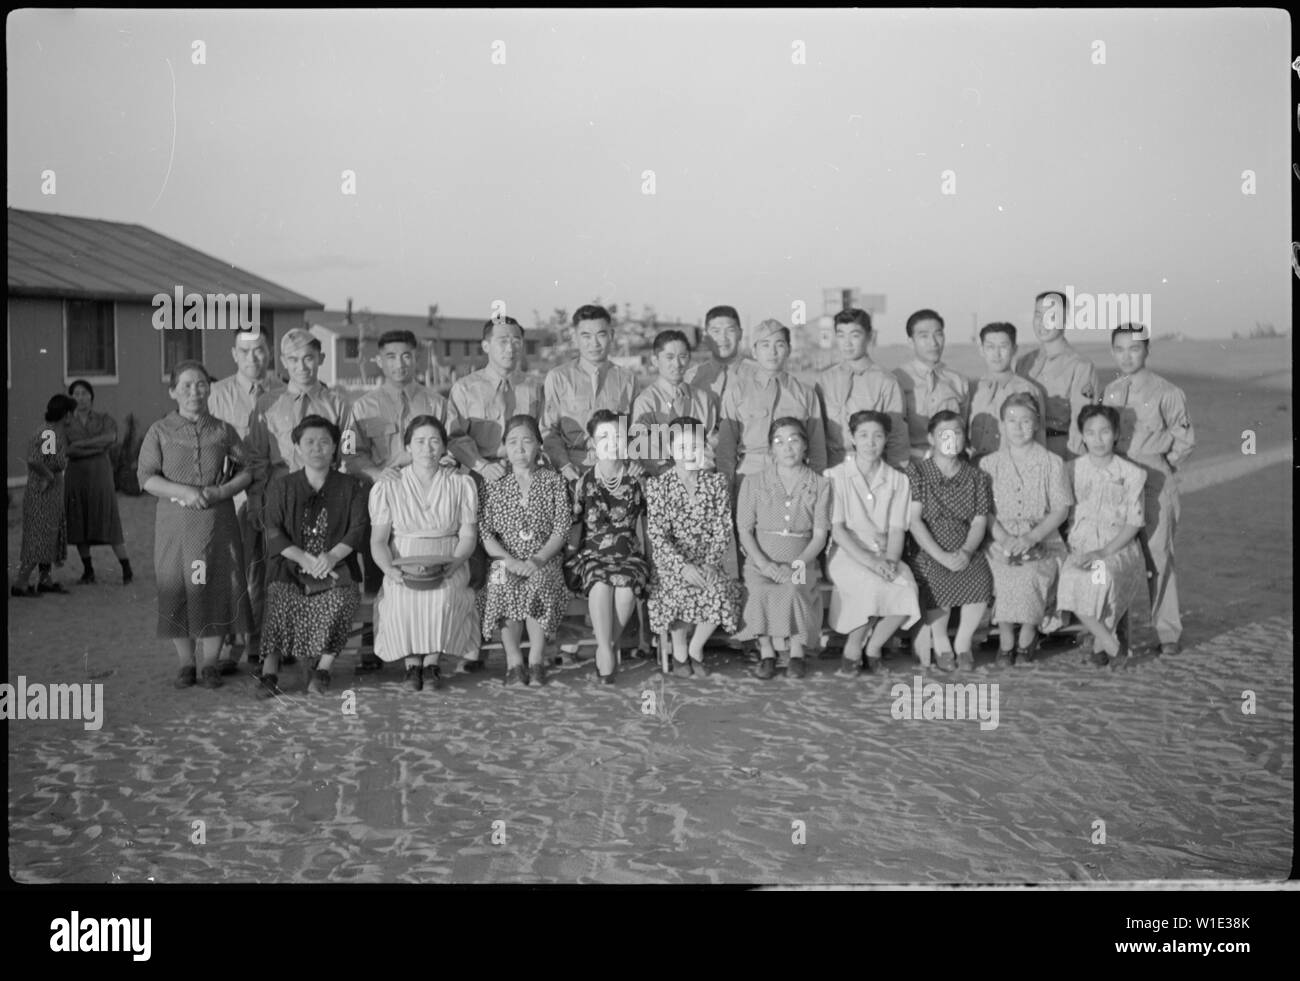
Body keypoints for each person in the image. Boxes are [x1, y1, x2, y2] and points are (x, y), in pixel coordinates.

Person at [246, 328, 358, 664]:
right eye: (293, 359)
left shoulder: (338, 402)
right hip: (280, 500)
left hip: (327, 500)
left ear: (321, 359)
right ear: (283, 362)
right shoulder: (267, 403)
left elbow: (349, 456)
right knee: (276, 576)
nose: (302, 366)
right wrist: (255, 502)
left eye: (309, 358)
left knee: (324, 575)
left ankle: (311, 653)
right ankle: (266, 653)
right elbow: (257, 458)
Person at [138, 361, 252, 690]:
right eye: (186, 385)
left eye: (201, 384)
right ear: (173, 391)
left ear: (209, 388)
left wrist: (221, 491)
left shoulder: (223, 430)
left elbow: (247, 470)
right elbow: (145, 477)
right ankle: (186, 664)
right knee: (178, 588)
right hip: (175, 521)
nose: (194, 392)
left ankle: (211, 664)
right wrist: (185, 492)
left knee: (218, 586)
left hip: (217, 520)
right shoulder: (159, 430)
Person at [446, 315, 546, 674]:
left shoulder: (532, 388)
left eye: (517, 340)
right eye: (502, 340)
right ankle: (475, 646)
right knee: (480, 567)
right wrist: (480, 463)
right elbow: (455, 436)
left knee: (520, 561)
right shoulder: (465, 387)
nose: (511, 346)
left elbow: (542, 434)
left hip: (523, 485)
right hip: (482, 482)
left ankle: (523, 650)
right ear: (486, 345)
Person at [254, 416, 369, 699]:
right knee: (280, 595)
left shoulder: (350, 486)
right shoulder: (282, 487)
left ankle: (324, 669)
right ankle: (270, 671)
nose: (317, 448)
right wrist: (304, 559)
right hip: (291, 564)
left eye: (324, 442)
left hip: (336, 564)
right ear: (297, 448)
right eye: (309, 442)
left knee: (342, 599)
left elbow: (357, 528)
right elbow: (272, 529)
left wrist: (330, 557)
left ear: (334, 449)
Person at [1102, 323, 1195, 656]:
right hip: (1118, 480)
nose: (1127, 356)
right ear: (1113, 352)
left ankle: (1167, 632)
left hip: (1155, 479)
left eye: (1135, 348)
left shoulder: (1167, 392)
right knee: (1117, 556)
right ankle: (1113, 632)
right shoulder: (1111, 392)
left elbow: (1184, 441)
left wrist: (1162, 465)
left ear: (1146, 350)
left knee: (1158, 557)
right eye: (1120, 349)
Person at [368, 415, 480, 691]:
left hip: (448, 557)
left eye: (434, 441)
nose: (427, 448)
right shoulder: (388, 484)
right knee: (401, 599)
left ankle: (431, 664)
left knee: (444, 596)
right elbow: (379, 541)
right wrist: (389, 570)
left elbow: (468, 534)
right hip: (402, 560)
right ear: (407, 447)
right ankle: (411, 667)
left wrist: (455, 563)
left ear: (444, 447)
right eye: (419, 442)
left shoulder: (461, 483)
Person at [208, 327, 286, 671]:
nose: (253, 358)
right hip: (232, 499)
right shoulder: (215, 395)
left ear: (268, 352)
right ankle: (228, 648)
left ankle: (260, 644)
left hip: (275, 498)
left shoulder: (285, 393)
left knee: (268, 573)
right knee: (230, 573)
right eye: (246, 351)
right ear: (234, 354)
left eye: (260, 350)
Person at [978, 393, 1072, 666]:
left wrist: (1031, 537)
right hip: (999, 538)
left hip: (1043, 538)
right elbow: (985, 511)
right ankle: (1007, 637)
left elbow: (1060, 510)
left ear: (1037, 424)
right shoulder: (989, 464)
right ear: (1001, 425)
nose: (1018, 427)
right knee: (1004, 571)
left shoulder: (1051, 463)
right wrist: (1005, 538)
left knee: (1030, 574)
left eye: (1026, 421)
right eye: (1011, 421)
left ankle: (1028, 633)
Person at [478, 414, 572, 686]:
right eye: (512, 442)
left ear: (539, 446)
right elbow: (485, 534)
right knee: (500, 584)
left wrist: (537, 560)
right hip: (503, 559)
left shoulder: (553, 481)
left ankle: (536, 661)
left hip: (544, 558)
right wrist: (508, 561)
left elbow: (561, 529)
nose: (520, 449)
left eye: (527, 441)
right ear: (504, 448)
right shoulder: (494, 484)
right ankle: (514, 662)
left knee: (540, 582)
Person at [825, 411, 922, 674]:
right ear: (853, 438)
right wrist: (871, 562)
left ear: (886, 439)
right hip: (847, 553)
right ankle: (852, 648)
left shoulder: (897, 479)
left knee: (906, 586)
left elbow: (897, 529)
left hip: (885, 551)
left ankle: (874, 647)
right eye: (864, 435)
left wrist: (890, 561)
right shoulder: (835, 476)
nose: (871, 442)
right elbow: (838, 530)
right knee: (867, 586)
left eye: (878, 436)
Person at [735, 418, 832, 680]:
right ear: (771, 450)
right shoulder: (753, 482)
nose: (787, 448)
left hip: (801, 559)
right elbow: (744, 529)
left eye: (794, 440)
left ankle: (797, 653)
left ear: (805, 447)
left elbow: (820, 535)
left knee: (794, 589)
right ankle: (766, 652)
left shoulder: (820, 485)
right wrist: (765, 564)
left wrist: (798, 563)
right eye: (779, 442)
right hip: (760, 559)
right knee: (759, 592)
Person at [646, 417, 743, 676]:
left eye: (694, 446)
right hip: (672, 564)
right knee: (677, 592)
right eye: (681, 447)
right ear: (670, 450)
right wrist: (682, 568)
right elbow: (657, 535)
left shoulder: (716, 484)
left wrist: (710, 563)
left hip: (706, 560)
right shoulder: (658, 486)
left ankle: (696, 647)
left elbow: (723, 529)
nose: (688, 453)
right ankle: (678, 651)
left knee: (721, 590)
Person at [1056, 405, 1147, 666]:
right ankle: (1108, 641)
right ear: (1082, 436)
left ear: (1116, 434)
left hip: (1116, 547)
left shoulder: (1131, 474)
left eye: (1105, 432)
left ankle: (1100, 643)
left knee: (1101, 577)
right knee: (1072, 578)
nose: (1098, 439)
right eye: (1091, 432)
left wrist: (1104, 552)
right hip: (1081, 545)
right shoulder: (1070, 470)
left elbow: (1134, 523)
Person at [904, 411, 993, 672]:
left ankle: (963, 643)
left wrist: (966, 551)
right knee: (936, 578)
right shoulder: (918, 472)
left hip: (965, 543)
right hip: (928, 545)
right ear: (931, 438)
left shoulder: (976, 477)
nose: (950, 439)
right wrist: (940, 555)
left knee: (980, 576)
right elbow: (914, 521)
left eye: (957, 433)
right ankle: (941, 643)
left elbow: (979, 521)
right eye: (944, 434)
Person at [568, 410, 651, 681]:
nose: (611, 441)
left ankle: (604, 651)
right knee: (601, 585)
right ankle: (606, 655)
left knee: (626, 590)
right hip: (592, 556)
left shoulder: (638, 479)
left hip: (628, 555)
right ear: (592, 442)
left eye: (617, 435)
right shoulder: (583, 482)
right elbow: (573, 524)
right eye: (604, 436)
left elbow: (652, 525)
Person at [716, 319, 826, 483]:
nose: (772, 352)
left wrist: (815, 488)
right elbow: (726, 449)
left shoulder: (805, 393)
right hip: (748, 477)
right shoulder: (737, 392)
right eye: (765, 345)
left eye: (779, 345)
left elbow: (817, 449)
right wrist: (727, 492)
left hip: (793, 479)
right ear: (754, 351)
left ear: (789, 349)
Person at [542, 304, 636, 483]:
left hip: (616, 470)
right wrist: (564, 466)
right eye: (586, 336)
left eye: (601, 335)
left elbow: (634, 430)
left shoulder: (627, 379)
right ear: (574, 338)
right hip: (574, 468)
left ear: (612, 336)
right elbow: (548, 430)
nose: (594, 343)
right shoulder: (558, 378)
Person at [815, 309, 909, 470]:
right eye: (841, 335)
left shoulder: (886, 381)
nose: (847, 342)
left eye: (855, 335)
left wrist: (896, 478)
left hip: (873, 469)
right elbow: (817, 433)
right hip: (834, 468)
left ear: (869, 337)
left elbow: (897, 437)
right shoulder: (825, 380)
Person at [1015, 291, 1098, 459]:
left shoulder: (1080, 366)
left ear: (1065, 320)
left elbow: (1083, 422)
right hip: (1026, 450)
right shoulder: (1024, 363)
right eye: (1038, 315)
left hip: (1062, 450)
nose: (1042, 323)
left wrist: (1073, 462)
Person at [64, 379, 132, 584]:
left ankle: (126, 568)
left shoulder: (104, 418)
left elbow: (110, 438)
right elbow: (65, 449)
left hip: (100, 475)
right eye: (76, 394)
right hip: (75, 476)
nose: (80, 398)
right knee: (79, 520)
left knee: (108, 517)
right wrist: (93, 445)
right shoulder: (66, 423)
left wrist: (80, 445)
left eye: (84, 393)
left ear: (91, 396)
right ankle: (88, 570)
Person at [12, 394, 77, 597]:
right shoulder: (49, 433)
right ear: (66, 415)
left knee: (48, 536)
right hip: (44, 495)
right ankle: (21, 583)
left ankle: (45, 579)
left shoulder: (49, 431)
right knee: (39, 537)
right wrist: (49, 476)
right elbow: (36, 461)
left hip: (49, 494)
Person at [630, 329, 718, 476]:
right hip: (661, 484)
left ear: (689, 359)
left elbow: (711, 444)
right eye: (669, 357)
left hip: (700, 481)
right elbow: (647, 452)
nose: (677, 364)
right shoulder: (646, 402)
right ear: (655, 360)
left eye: (682, 356)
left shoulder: (703, 399)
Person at [893, 309, 971, 462]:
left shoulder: (958, 381)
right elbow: (892, 434)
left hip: (949, 466)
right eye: (924, 336)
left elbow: (963, 430)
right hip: (909, 467)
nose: (933, 343)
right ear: (910, 342)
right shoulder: (896, 380)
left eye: (938, 334)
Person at [967, 322, 1046, 461]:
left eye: (1003, 347)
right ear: (981, 350)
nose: (996, 354)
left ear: (1014, 349)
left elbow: (1039, 438)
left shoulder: (1028, 390)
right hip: (977, 471)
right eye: (990, 347)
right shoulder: (973, 389)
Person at [684, 305, 755, 404]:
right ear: (706, 336)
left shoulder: (758, 375)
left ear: (740, 333)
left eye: (730, 330)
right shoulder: (692, 377)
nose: (723, 338)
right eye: (716, 331)